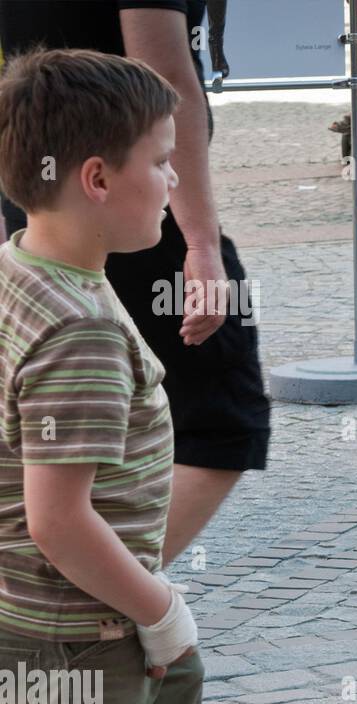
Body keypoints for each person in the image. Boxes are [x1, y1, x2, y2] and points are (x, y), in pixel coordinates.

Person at [0, 49, 209, 704]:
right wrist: (159, 613)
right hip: (83, 635)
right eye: (161, 163)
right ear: (96, 179)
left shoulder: (29, 263)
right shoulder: (77, 326)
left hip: (64, 626)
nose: (173, 182)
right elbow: (58, 519)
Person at [0, 0, 271, 567]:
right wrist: (200, 242)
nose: (170, 167)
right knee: (222, 417)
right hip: (114, 202)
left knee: (50, 415)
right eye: (164, 159)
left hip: (40, 195)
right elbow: (166, 75)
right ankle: (101, 598)